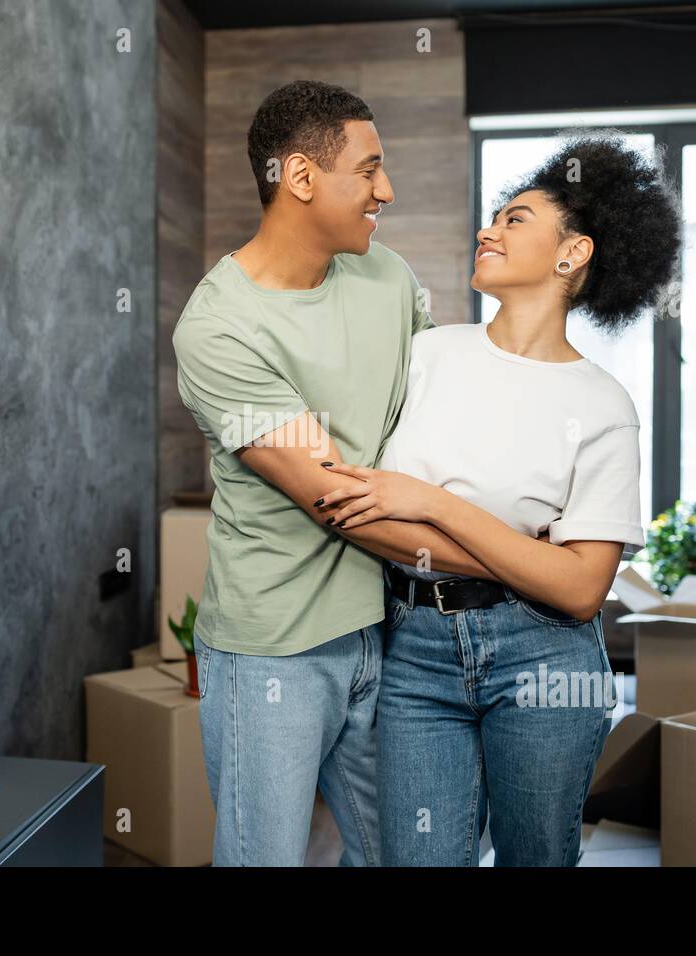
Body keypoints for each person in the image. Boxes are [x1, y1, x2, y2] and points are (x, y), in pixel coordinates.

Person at [314, 133, 684, 866]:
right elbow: (356, 503)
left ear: (571, 253)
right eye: (494, 217)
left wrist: (433, 504)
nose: (488, 229)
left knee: (535, 859)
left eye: (516, 219)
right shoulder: (424, 355)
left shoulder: (604, 405)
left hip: (542, 656)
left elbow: (580, 590)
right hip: (414, 649)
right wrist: (526, 550)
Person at [172, 80, 498, 866]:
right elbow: (336, 499)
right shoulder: (219, 328)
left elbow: (435, 417)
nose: (386, 190)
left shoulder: (385, 277)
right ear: (302, 178)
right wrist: (519, 561)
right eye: (370, 170)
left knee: (407, 851)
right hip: (273, 650)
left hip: (387, 629)